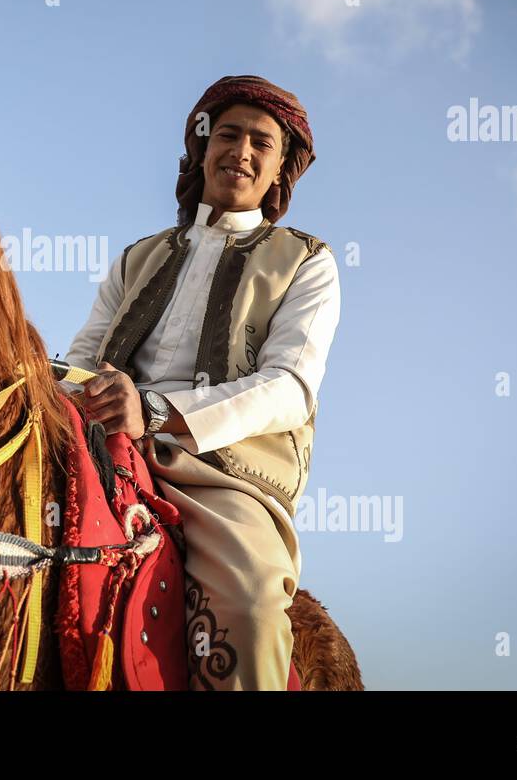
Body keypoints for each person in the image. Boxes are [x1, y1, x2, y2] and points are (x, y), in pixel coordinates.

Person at [62, 74, 341, 690]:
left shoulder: (307, 259)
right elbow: (85, 356)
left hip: (219, 474)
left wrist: (155, 412)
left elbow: (290, 386)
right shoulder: (138, 256)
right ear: (203, 147)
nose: (241, 151)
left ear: (279, 172)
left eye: (261, 144)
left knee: (250, 606)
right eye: (229, 133)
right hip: (101, 447)